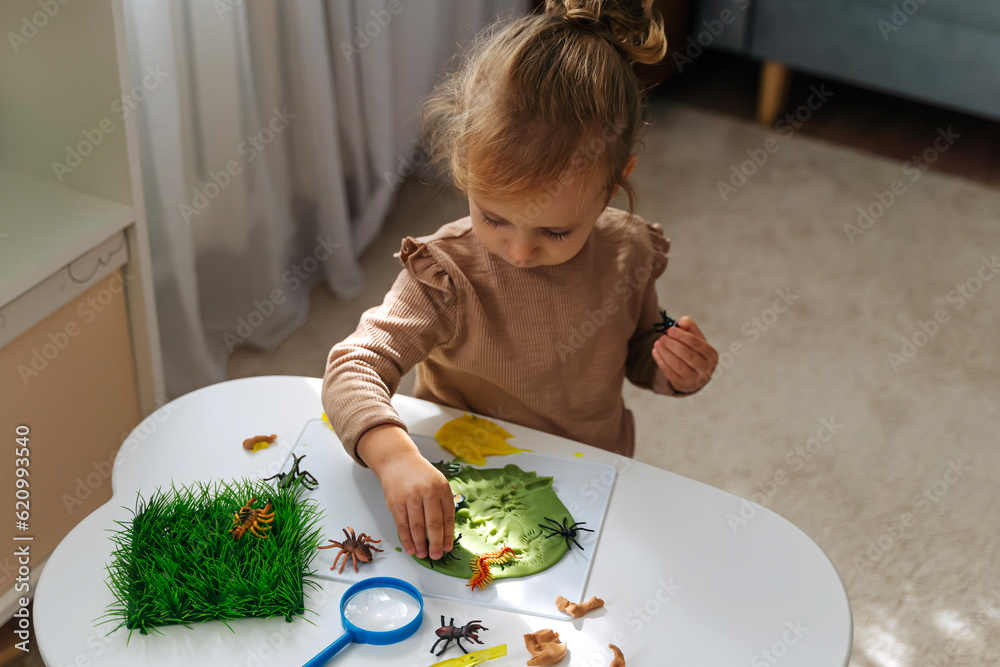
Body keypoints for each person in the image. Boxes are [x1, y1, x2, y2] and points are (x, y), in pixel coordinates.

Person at [322, 0, 718, 565]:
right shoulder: (445, 274)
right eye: (494, 217)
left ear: (614, 182)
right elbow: (352, 367)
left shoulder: (628, 251)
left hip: (585, 483)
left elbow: (633, 350)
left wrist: (671, 364)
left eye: (555, 230)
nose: (519, 249)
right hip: (456, 489)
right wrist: (393, 457)